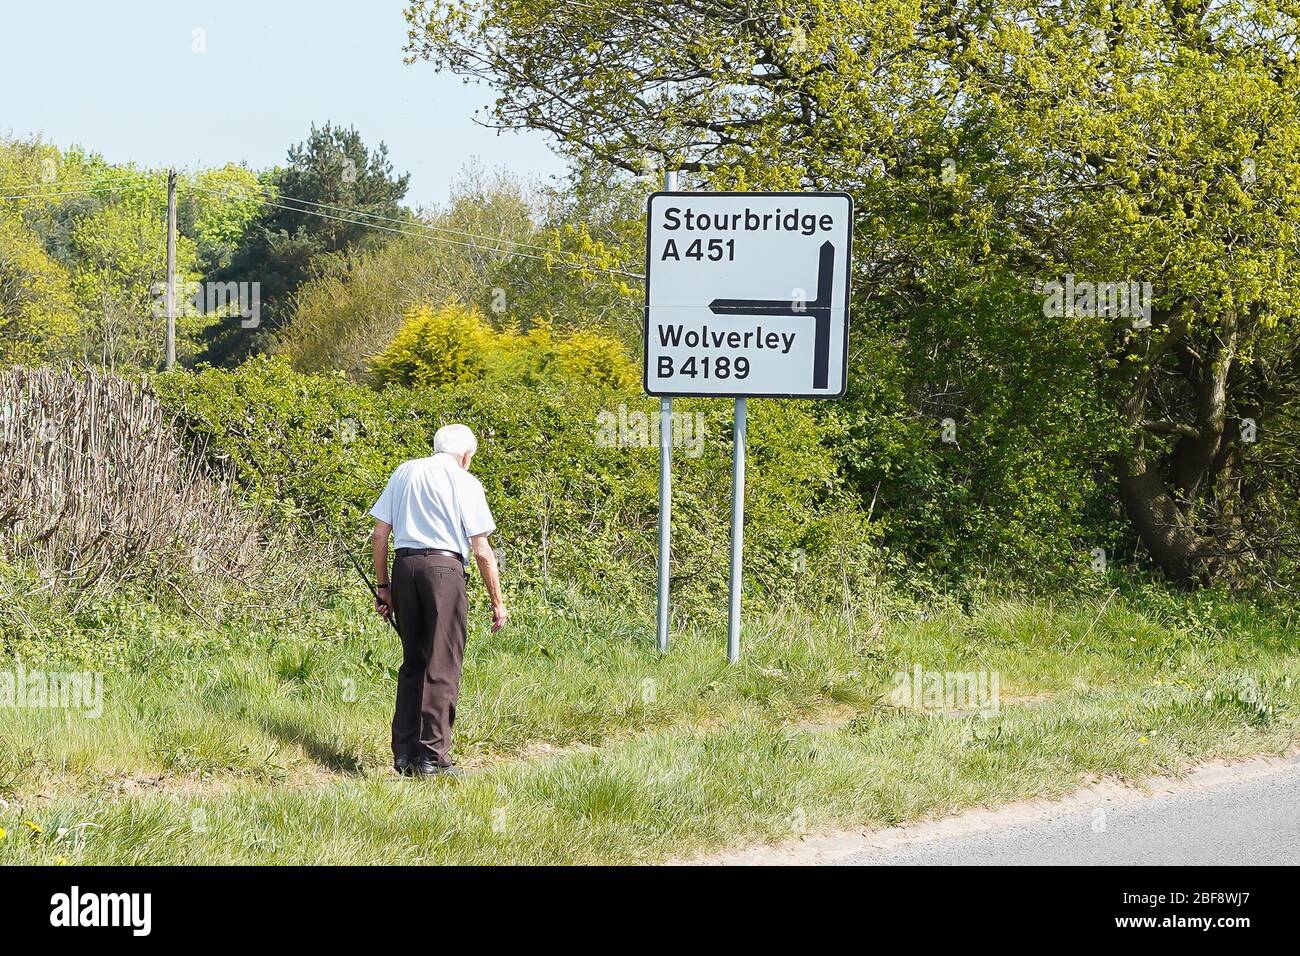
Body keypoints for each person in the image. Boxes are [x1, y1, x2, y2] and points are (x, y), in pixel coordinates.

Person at [369, 423, 507, 777]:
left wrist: (384, 586)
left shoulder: (405, 471)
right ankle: (434, 757)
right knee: (442, 664)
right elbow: (482, 551)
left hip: (404, 566)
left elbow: (379, 533)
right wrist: (497, 601)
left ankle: (405, 755)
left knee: (413, 660)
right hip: (444, 570)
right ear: (466, 455)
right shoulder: (466, 481)